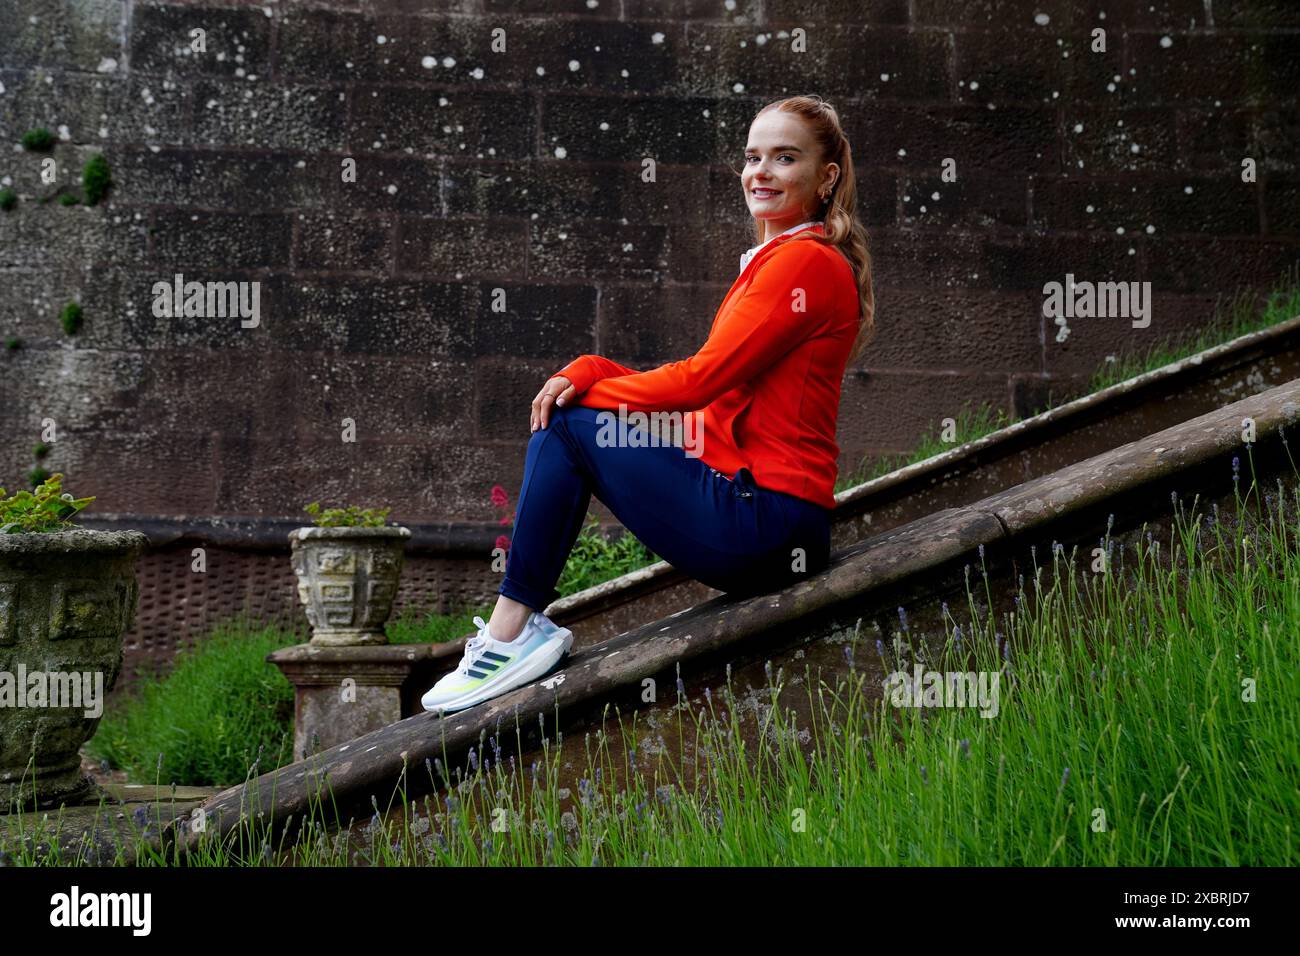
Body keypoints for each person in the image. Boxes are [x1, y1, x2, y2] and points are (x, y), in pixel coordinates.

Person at [422, 94, 877, 715]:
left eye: (784, 158)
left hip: (763, 521)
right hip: (770, 522)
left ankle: (510, 634)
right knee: (577, 421)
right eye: (751, 157)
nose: (760, 172)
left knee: (571, 426)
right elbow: (696, 406)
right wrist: (593, 372)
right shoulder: (788, 260)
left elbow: (697, 383)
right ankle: (514, 630)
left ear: (826, 177)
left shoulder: (801, 263)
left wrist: (585, 388)